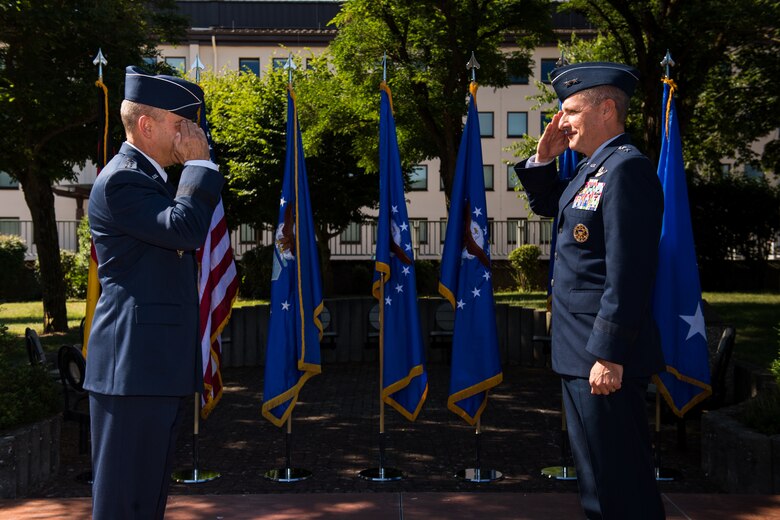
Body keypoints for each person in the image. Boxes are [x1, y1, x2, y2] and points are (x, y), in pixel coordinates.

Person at [514, 62, 666, 519]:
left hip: (603, 357)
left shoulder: (626, 171)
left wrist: (610, 354)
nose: (562, 122)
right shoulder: (592, 171)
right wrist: (542, 157)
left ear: (606, 109)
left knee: (620, 482)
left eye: (571, 111)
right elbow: (550, 203)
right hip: (581, 351)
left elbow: (629, 273)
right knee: (599, 481)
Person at [85, 66, 224, 520]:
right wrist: (201, 166)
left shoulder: (151, 180)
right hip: (133, 370)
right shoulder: (123, 180)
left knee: (146, 500)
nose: (192, 134)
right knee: (124, 502)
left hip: (152, 367)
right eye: (181, 124)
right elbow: (184, 230)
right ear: (147, 126)